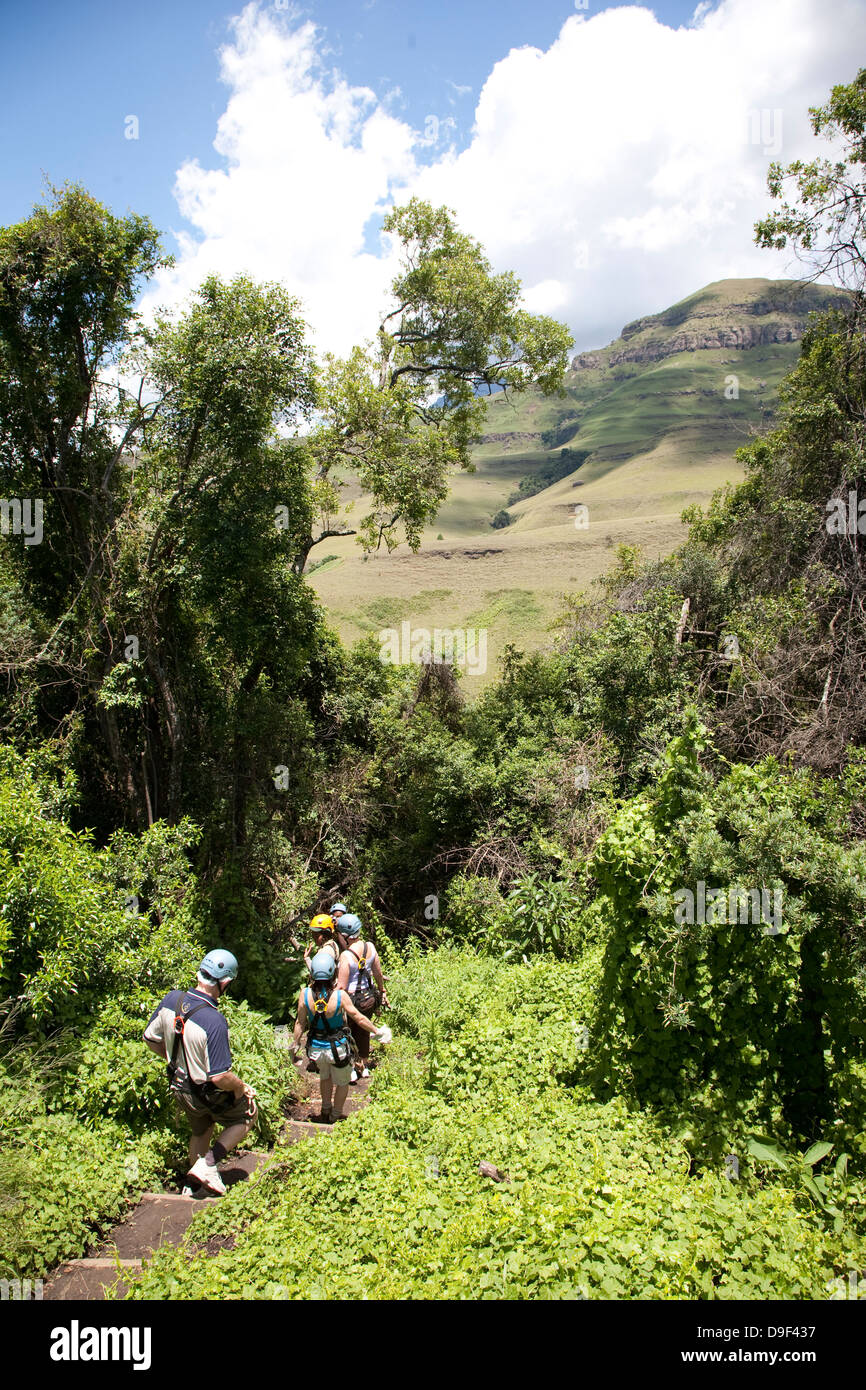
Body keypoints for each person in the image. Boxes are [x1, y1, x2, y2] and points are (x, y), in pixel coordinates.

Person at [143, 950, 257, 1197]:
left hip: (178, 1085)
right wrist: (240, 1087)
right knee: (247, 1114)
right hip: (203, 1092)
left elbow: (150, 1038)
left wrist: (173, 1058)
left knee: (201, 1129)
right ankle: (207, 1164)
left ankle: (191, 1185)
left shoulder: (172, 1000)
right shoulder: (213, 1021)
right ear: (224, 983)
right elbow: (219, 1076)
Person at [291, 950, 390, 1123]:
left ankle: (325, 1109)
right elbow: (357, 1017)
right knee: (342, 1083)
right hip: (337, 1048)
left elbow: (299, 1024)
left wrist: (295, 1046)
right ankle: (336, 1115)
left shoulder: (305, 994)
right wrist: (376, 1030)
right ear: (332, 973)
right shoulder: (339, 996)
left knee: (325, 1077)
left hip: (316, 1048)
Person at [336, 914, 389, 1083]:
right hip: (369, 998)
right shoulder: (370, 947)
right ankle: (364, 1066)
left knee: (347, 1032)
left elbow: (342, 987)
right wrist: (382, 991)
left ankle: (352, 1067)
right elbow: (378, 973)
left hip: (352, 1000)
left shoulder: (346, 956)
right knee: (364, 1032)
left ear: (344, 935)